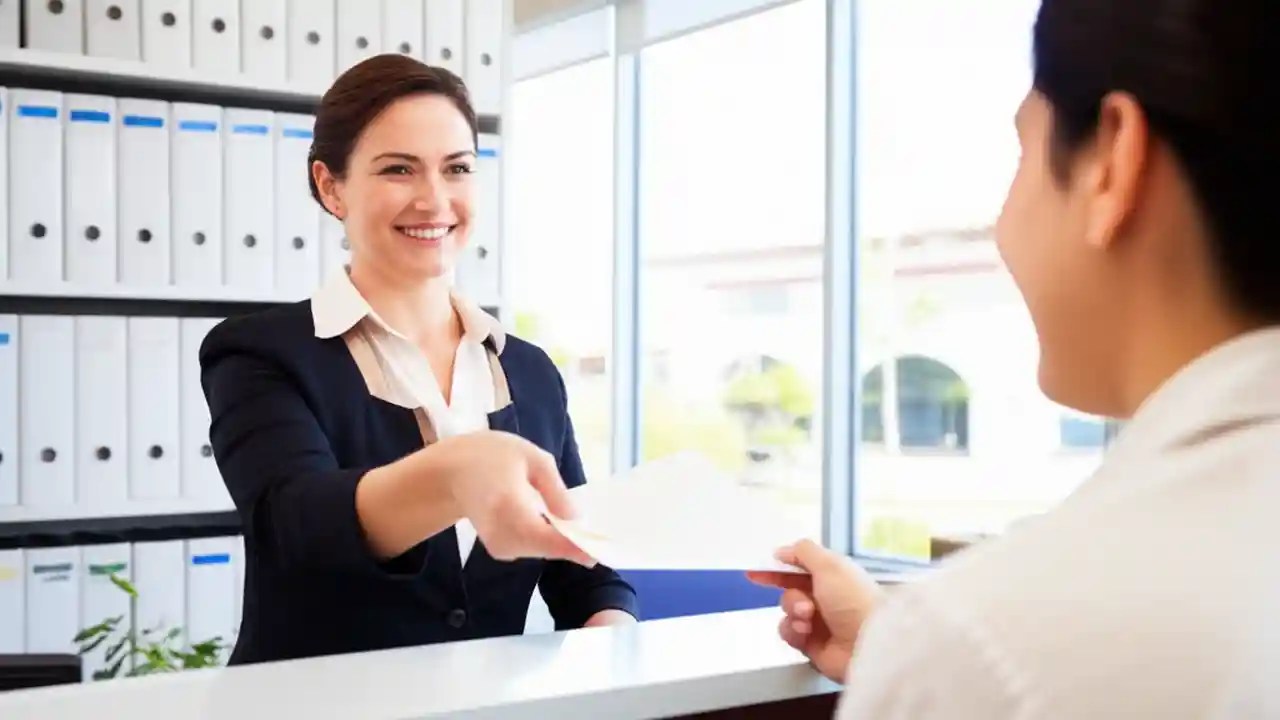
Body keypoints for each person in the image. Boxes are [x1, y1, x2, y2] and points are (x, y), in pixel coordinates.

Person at [750, 0, 1279, 716]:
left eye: (1023, 152)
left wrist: (941, 663)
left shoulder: (990, 633)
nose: (1004, 224)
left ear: (1112, 162)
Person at [199, 54, 637, 666]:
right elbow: (297, 528)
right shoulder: (260, 352)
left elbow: (581, 563)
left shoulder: (529, 372)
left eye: (457, 168)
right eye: (398, 169)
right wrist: (458, 470)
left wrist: (607, 625)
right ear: (331, 187)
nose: (434, 200)